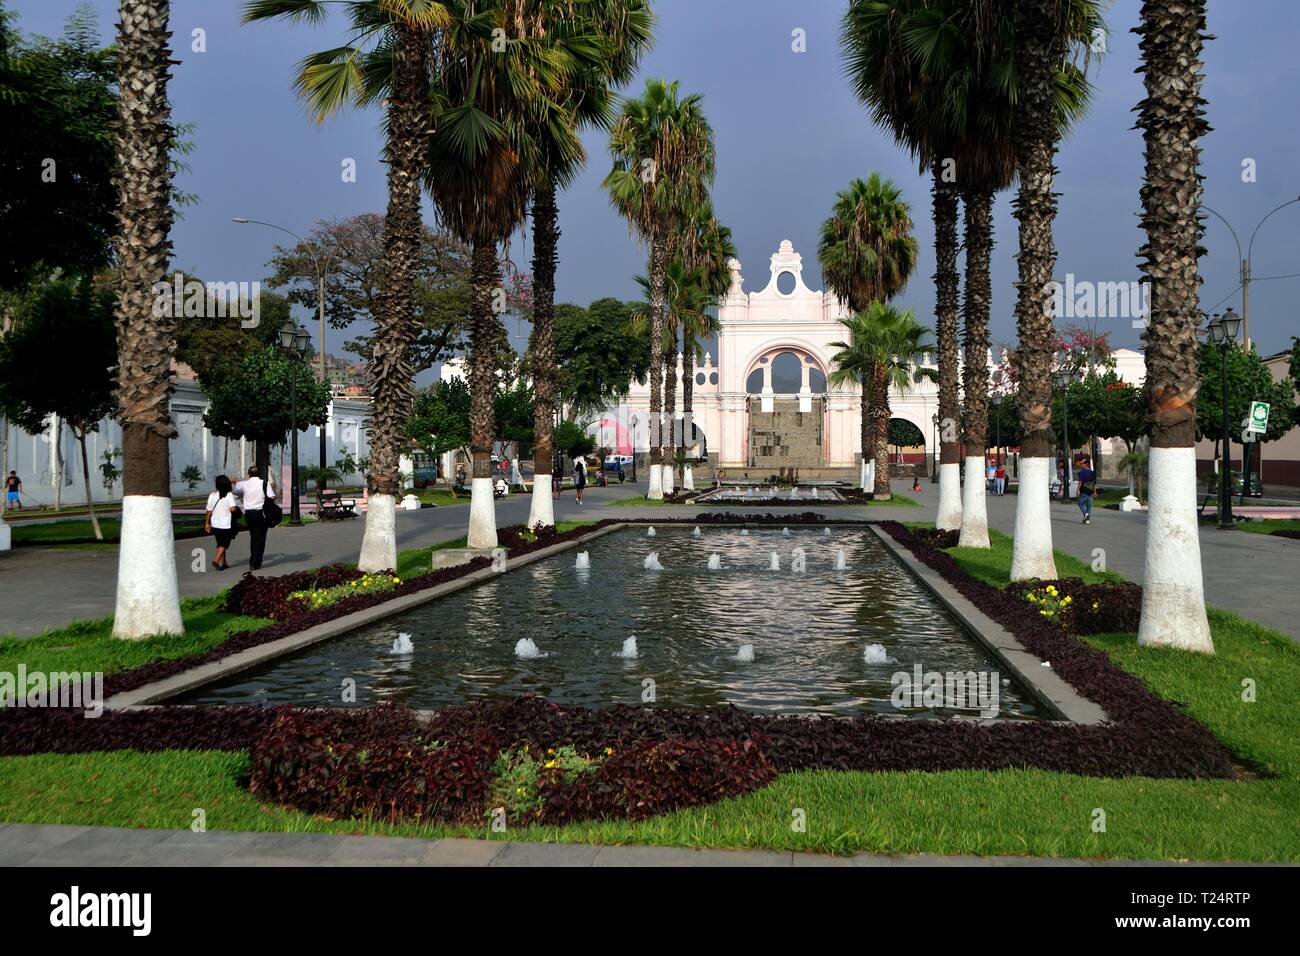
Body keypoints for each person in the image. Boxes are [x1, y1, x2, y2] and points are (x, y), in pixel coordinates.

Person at [235, 465, 275, 571]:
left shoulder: (244, 484)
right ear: (259, 474)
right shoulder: (264, 483)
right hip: (261, 513)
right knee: (260, 538)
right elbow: (272, 497)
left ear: (249, 474)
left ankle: (253, 560)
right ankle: (255, 562)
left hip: (249, 514)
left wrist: (234, 481)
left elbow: (236, 487)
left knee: (253, 537)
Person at [204, 475, 240, 570]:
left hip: (215, 524)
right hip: (226, 525)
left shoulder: (212, 495)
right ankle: (216, 561)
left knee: (220, 543)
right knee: (223, 544)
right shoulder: (229, 495)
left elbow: (209, 511)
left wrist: (207, 523)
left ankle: (223, 563)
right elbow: (233, 509)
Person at [1076, 457, 1097, 524]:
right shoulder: (1092, 473)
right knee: (1088, 506)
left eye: (1083, 464)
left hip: (1084, 491)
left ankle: (1086, 514)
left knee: (1080, 504)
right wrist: (1095, 491)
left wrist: (1077, 490)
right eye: (1081, 464)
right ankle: (1087, 520)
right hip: (1090, 491)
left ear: (1086, 464)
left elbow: (1080, 482)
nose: (1081, 465)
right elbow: (1094, 483)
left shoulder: (1082, 472)